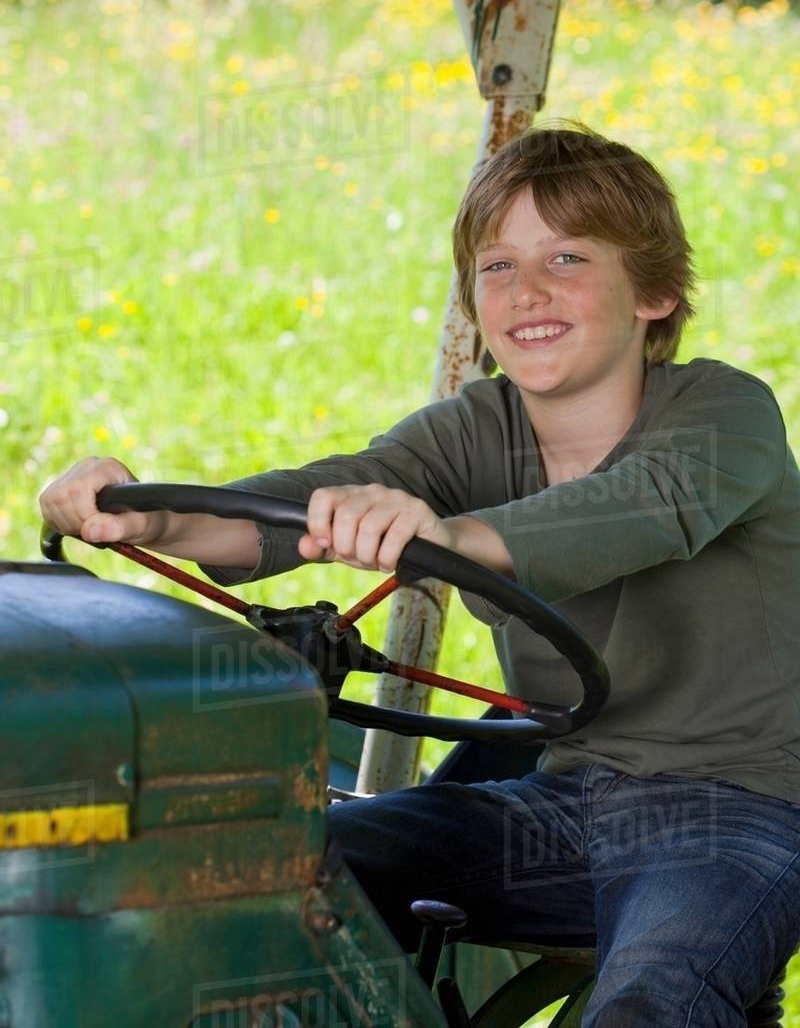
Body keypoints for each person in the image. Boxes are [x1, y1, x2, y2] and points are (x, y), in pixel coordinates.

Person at [40, 124, 800, 1026]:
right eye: (497, 266)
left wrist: (448, 536)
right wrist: (153, 517)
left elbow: (648, 504)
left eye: (567, 258)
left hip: (743, 807)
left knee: (655, 1000)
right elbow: (321, 497)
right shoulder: (477, 428)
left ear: (656, 291)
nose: (527, 290)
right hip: (562, 805)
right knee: (279, 879)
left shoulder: (725, 414)